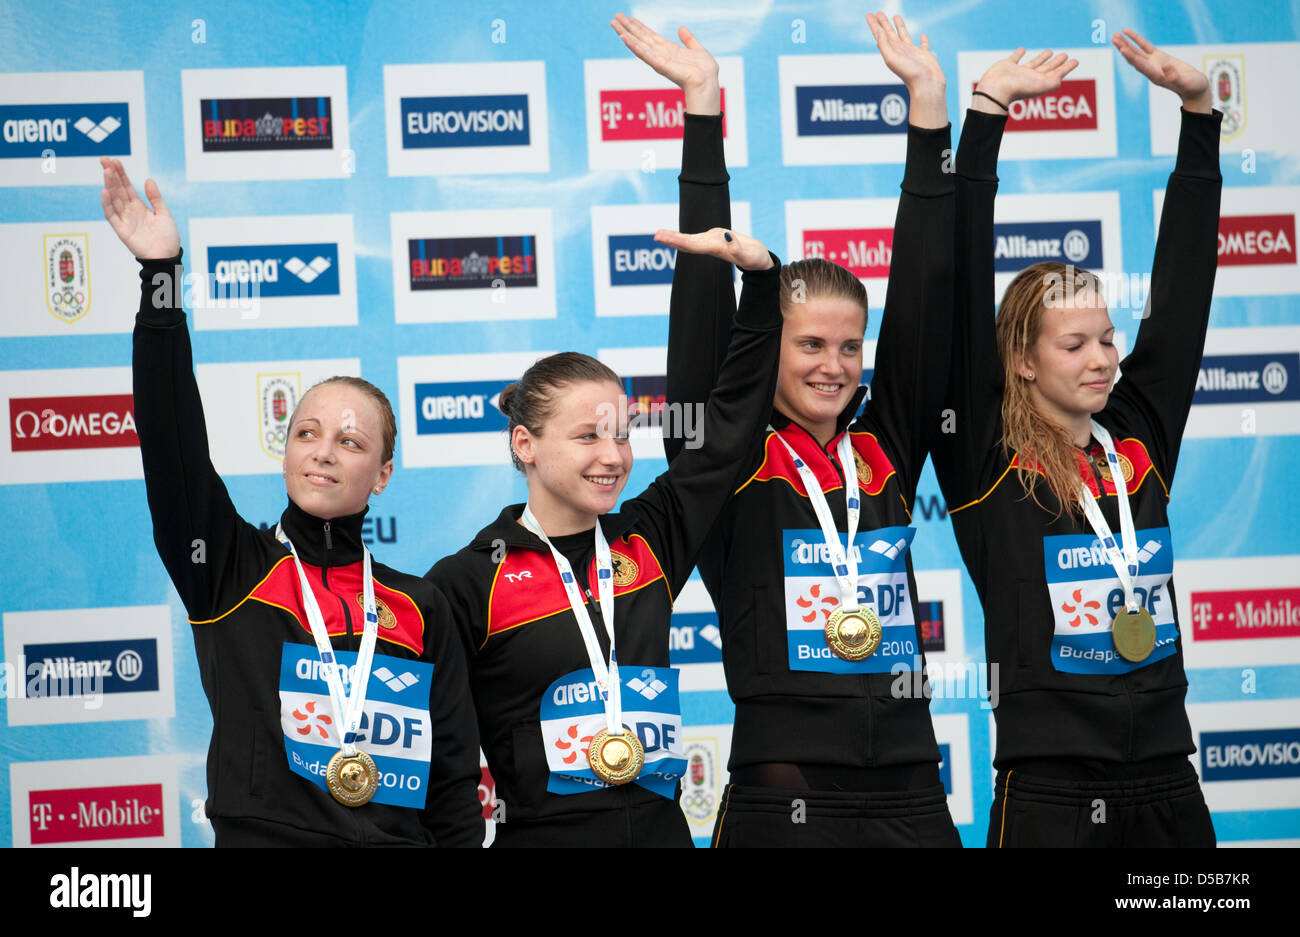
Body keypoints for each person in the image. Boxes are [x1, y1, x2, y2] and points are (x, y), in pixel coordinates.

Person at [613, 11, 960, 846]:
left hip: (916, 798)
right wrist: (703, 108)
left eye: (848, 345)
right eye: (808, 343)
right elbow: (702, 307)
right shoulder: (722, 454)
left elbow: (922, 289)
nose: (832, 365)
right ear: (769, 347)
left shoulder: (886, 446)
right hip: (785, 802)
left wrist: (929, 112)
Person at [105, 157, 483, 847]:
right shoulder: (226, 564)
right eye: (305, 432)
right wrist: (160, 278)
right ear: (285, 452)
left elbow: (454, 782)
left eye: (349, 439)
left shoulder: (420, 605)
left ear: (384, 473)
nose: (322, 450)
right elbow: (170, 440)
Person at [931, 31, 1221, 847]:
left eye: (1105, 337)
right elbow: (958, 277)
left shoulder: (1137, 439)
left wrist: (1199, 113)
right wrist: (986, 116)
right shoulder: (984, 457)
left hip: (1170, 778)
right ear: (1021, 360)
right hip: (1053, 792)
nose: (1102, 359)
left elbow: (1185, 293)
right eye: (1074, 344)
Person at [426, 229, 783, 846]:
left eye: (622, 434)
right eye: (588, 436)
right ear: (525, 444)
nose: (613, 456)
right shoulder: (465, 582)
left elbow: (729, 429)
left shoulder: (650, 537)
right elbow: (444, 756)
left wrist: (763, 284)